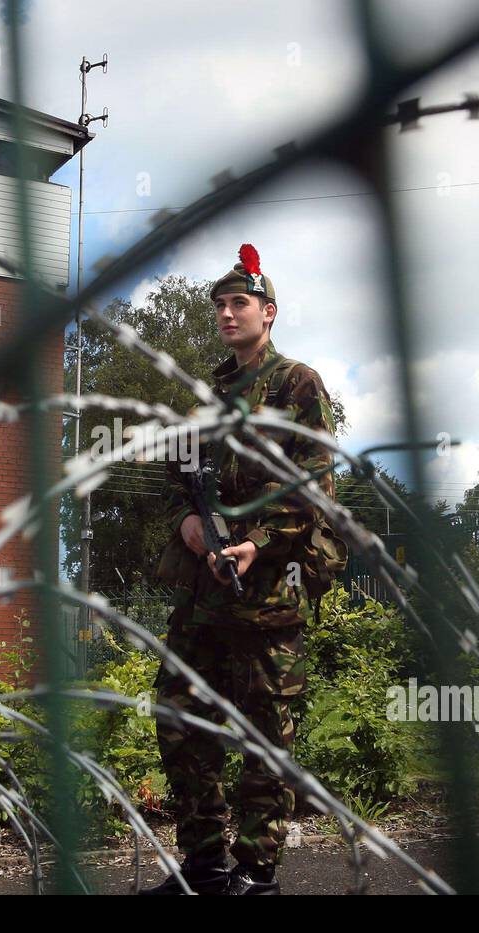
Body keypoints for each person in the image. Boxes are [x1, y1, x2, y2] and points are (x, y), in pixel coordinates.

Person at [141, 244, 337, 895]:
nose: (226, 313)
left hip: (265, 594)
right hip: (205, 594)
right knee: (178, 712)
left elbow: (316, 489)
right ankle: (204, 866)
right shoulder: (206, 394)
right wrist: (187, 524)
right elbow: (175, 483)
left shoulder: (296, 386)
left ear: (268, 311)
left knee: (264, 734)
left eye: (239, 302)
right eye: (220, 304)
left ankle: (255, 874)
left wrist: (259, 542)